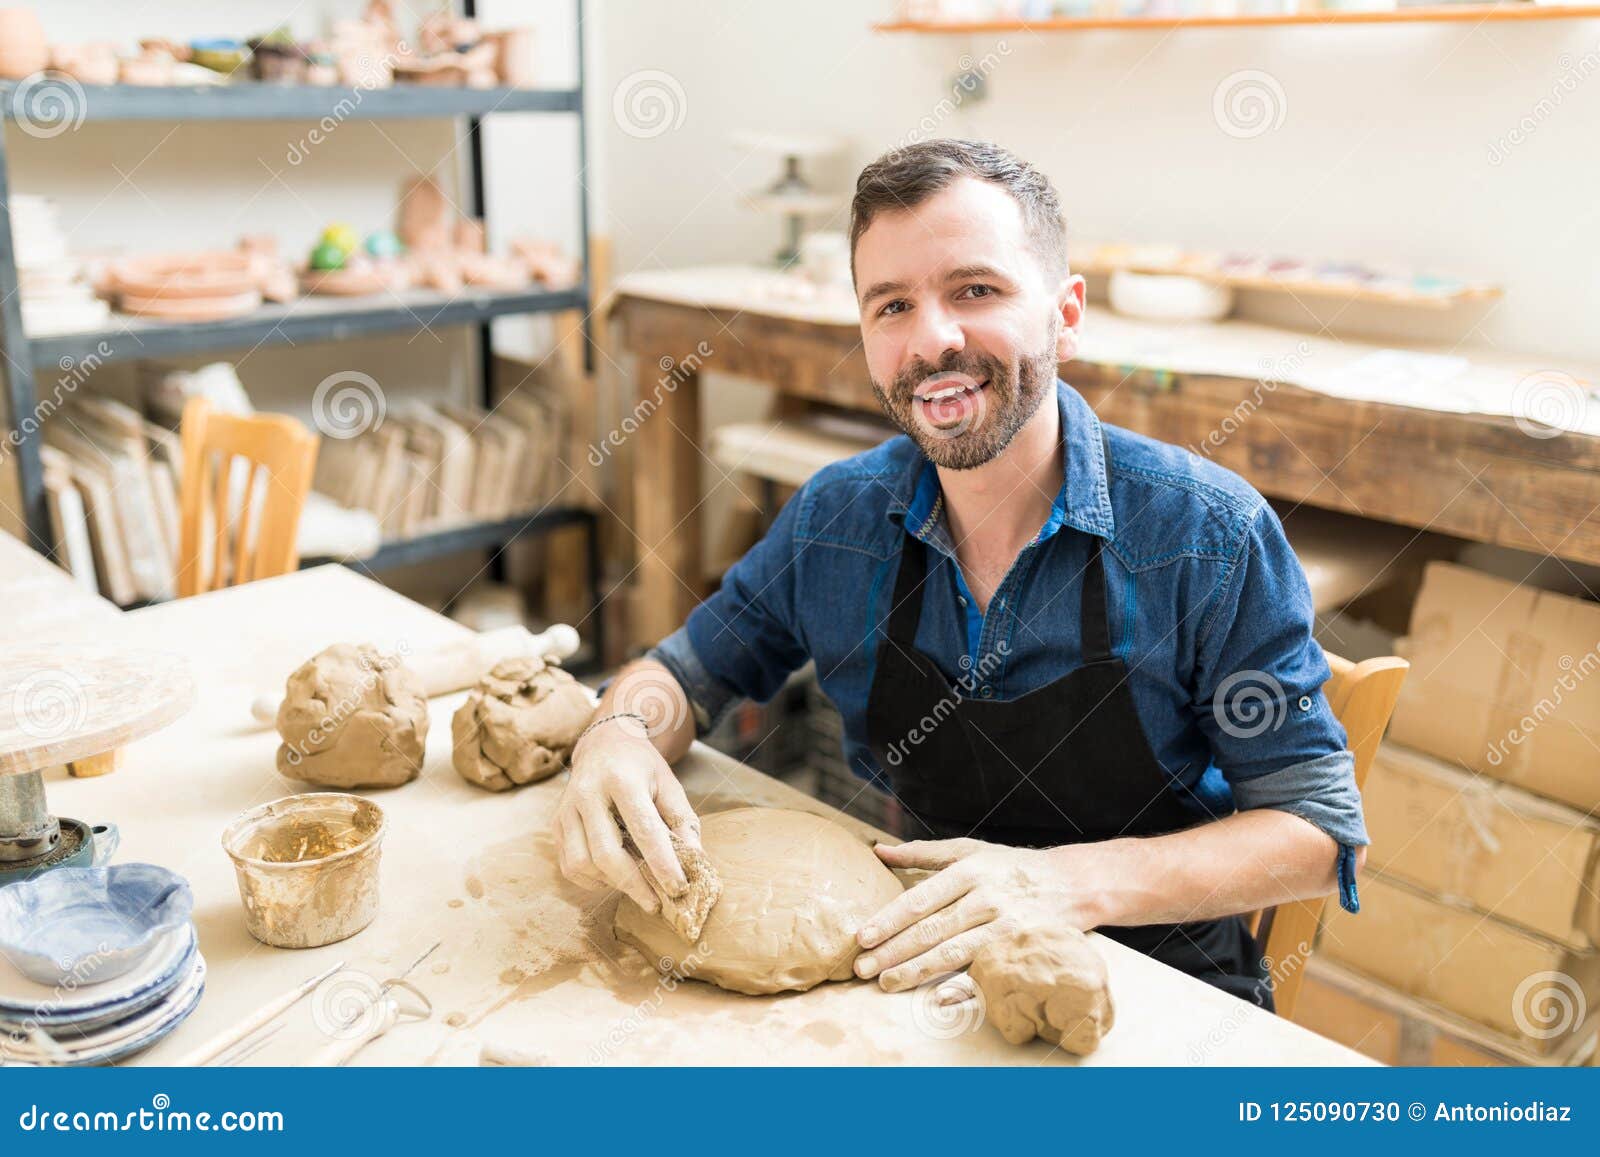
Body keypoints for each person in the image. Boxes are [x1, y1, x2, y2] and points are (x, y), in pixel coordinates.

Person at [554, 138, 1366, 1008]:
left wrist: (1062, 884)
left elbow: (1315, 832)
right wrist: (619, 733)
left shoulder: (1207, 535)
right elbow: (684, 674)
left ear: (1066, 313)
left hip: (1162, 992)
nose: (932, 340)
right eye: (892, 305)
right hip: (924, 971)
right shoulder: (840, 520)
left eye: (975, 290)